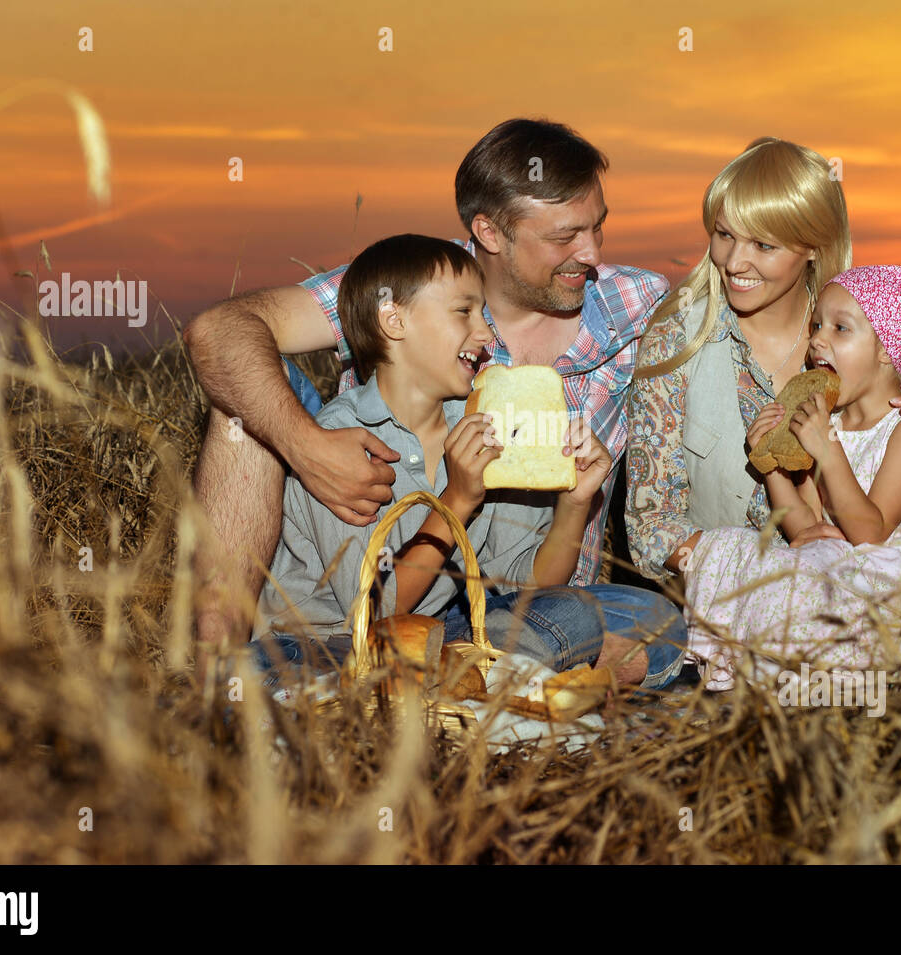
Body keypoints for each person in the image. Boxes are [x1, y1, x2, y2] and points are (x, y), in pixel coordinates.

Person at [183, 118, 670, 682]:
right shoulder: (416, 281)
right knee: (244, 402)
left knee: (654, 626)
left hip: (511, 591)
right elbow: (218, 332)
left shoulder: (637, 303)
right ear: (490, 232)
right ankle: (219, 673)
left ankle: (436, 673)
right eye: (565, 237)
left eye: (598, 227)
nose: (591, 253)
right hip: (363, 553)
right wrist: (308, 447)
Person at [251, 234, 685, 691]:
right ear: (394, 321)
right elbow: (373, 610)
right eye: (464, 312)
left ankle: (462, 680)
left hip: (443, 629)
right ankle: (490, 681)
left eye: (483, 313)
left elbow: (531, 585)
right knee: (276, 673)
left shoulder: (486, 426)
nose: (486, 334)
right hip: (328, 645)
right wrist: (457, 499)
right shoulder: (342, 439)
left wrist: (576, 503)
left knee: (636, 617)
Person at [625, 137, 901, 591]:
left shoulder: (858, 340)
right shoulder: (677, 340)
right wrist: (768, 580)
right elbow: (650, 526)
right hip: (719, 602)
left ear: (814, 247)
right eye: (724, 235)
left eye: (763, 244)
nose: (734, 262)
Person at [684, 266, 901, 690]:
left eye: (840, 328)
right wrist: (771, 462)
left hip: (899, 584)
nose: (818, 340)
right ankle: (769, 665)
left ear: (887, 350)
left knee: (811, 582)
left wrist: (827, 448)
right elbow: (807, 527)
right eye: (817, 326)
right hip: (841, 569)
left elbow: (871, 531)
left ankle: (815, 669)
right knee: (729, 546)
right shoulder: (829, 423)